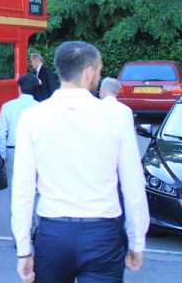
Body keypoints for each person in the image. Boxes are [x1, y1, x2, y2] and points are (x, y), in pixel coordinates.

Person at [11, 41, 149, 283]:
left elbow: (23, 189)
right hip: (103, 234)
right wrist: (137, 240)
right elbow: (133, 185)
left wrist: (23, 249)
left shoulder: (33, 117)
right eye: (99, 70)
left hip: (53, 233)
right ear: (89, 72)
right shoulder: (116, 116)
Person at [0, 74, 38, 193]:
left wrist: (3, 153)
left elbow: (0, 132)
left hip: (12, 150)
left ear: (19, 88)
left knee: (14, 192)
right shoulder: (40, 108)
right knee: (32, 190)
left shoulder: (7, 106)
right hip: (33, 151)